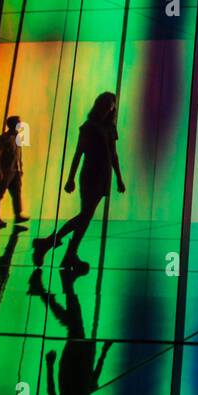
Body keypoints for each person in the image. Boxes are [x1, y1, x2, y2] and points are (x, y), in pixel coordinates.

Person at [33, 92, 125, 273]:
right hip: (90, 175)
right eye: (107, 103)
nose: (110, 107)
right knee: (85, 215)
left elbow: (114, 155)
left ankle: (63, 250)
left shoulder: (109, 128)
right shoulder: (89, 127)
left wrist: (119, 178)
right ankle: (58, 248)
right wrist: (70, 178)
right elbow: (79, 153)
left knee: (86, 216)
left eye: (112, 104)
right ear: (100, 104)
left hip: (103, 176)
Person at [0, 115, 27, 227]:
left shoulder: (17, 138)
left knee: (16, 193)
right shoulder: (2, 139)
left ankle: (18, 215)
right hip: (5, 172)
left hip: (15, 172)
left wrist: (20, 169)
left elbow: (18, 155)